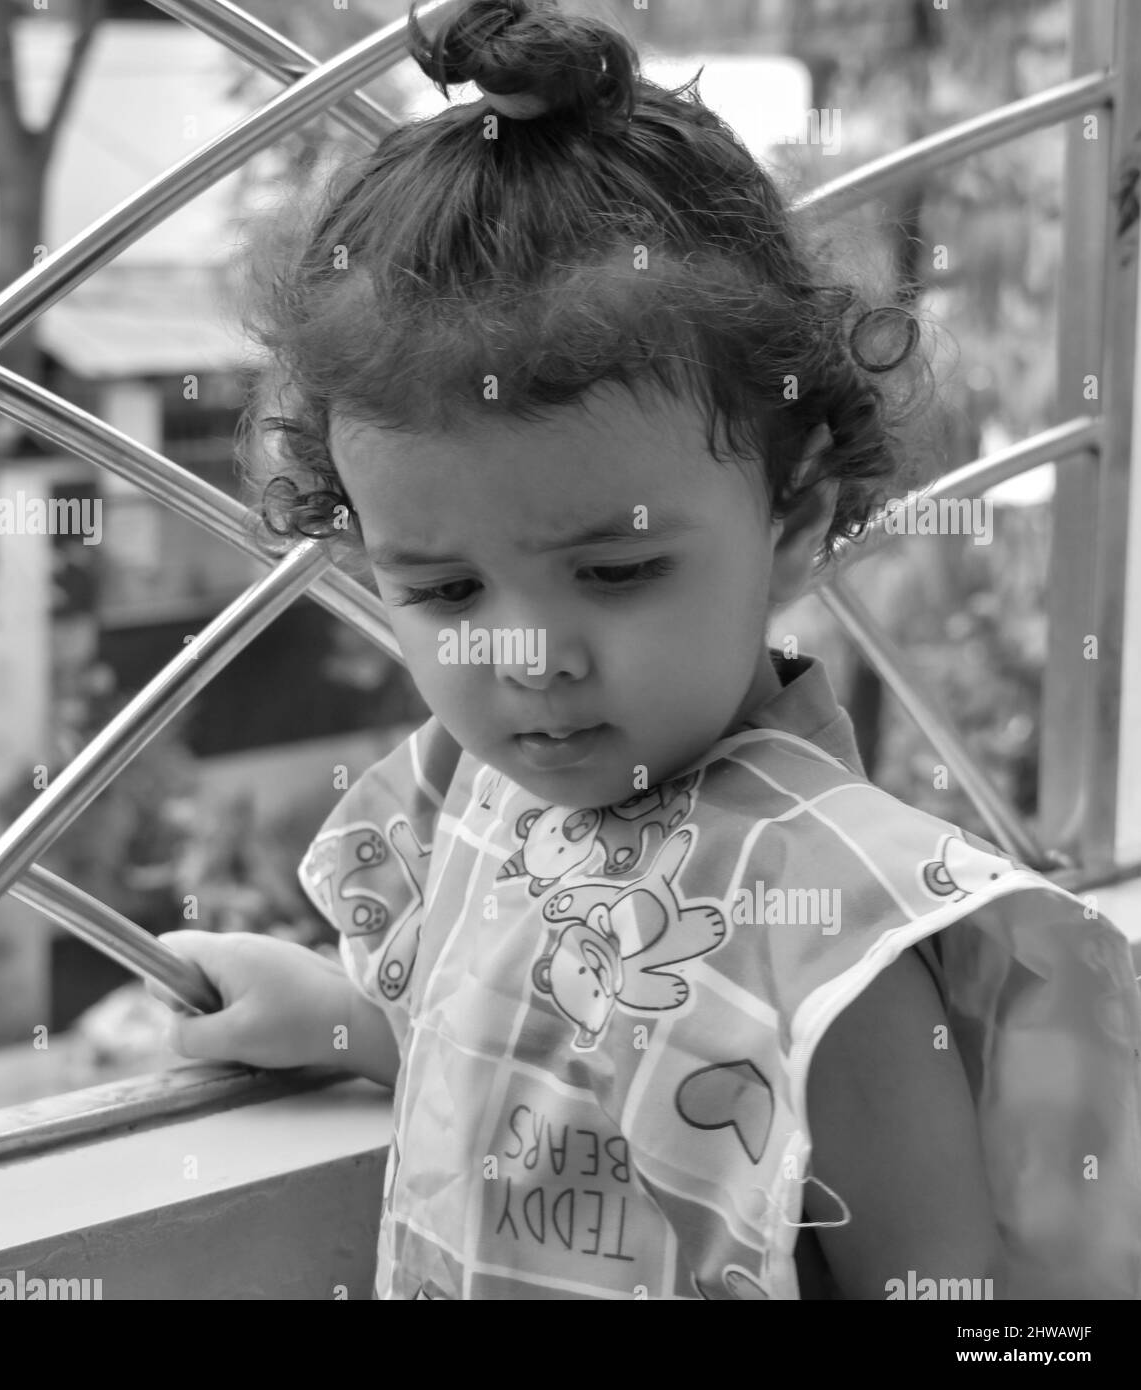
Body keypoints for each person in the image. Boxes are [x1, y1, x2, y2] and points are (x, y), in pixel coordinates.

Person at [147, 0, 1141, 1299]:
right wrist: (340, 1020)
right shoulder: (481, 792)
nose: (527, 656)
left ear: (797, 519)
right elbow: (532, 1071)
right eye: (443, 588)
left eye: (614, 572)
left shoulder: (831, 935)